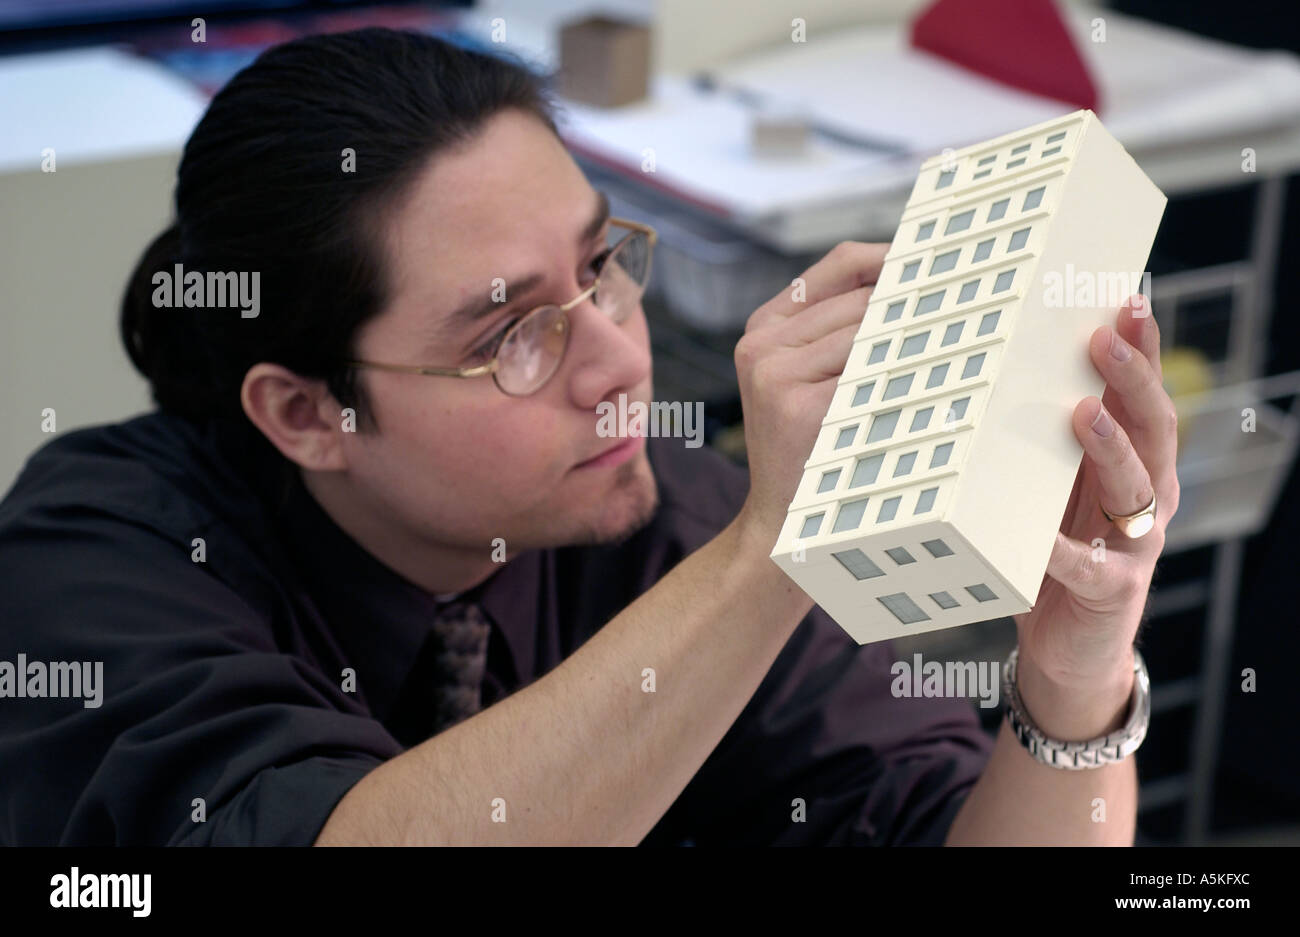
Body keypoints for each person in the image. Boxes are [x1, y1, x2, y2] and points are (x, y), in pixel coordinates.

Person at [0, 28, 1179, 846]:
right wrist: (770, 551)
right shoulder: (95, 559)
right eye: (513, 333)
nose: (620, 362)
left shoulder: (686, 517)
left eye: (602, 266)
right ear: (308, 414)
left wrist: (1073, 677)